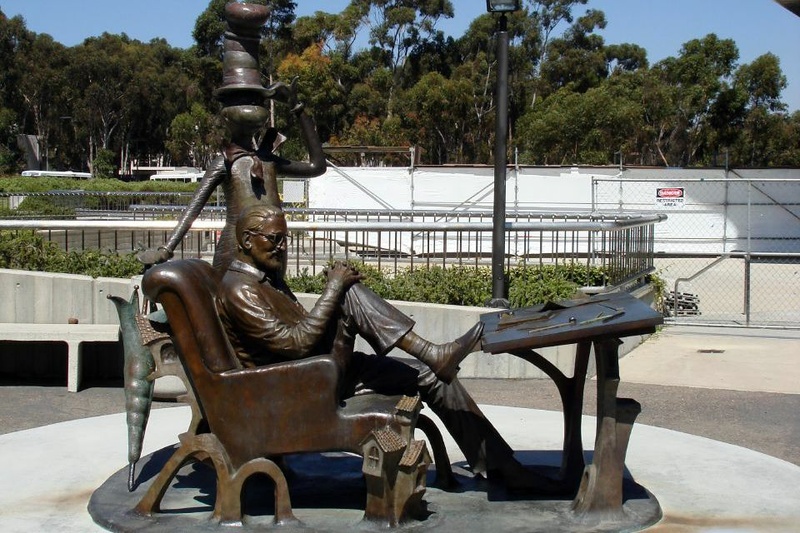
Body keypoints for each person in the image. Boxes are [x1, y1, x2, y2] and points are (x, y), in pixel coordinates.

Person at [216, 204, 540, 489]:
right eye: (275, 239)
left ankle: (504, 468)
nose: (282, 247)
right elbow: (296, 343)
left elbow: (299, 333)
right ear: (247, 240)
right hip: (299, 386)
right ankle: (432, 352)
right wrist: (333, 289)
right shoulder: (240, 291)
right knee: (347, 294)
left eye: (285, 239)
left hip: (318, 372)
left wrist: (337, 291)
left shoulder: (265, 279)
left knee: (432, 374)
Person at [137, 2, 326, 274]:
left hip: (274, 250)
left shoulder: (268, 160)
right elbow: (194, 207)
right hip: (235, 251)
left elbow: (316, 167)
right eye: (240, 100)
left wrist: (299, 109)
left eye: (255, 100)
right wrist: (167, 249)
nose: (249, 108)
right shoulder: (224, 163)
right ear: (226, 112)